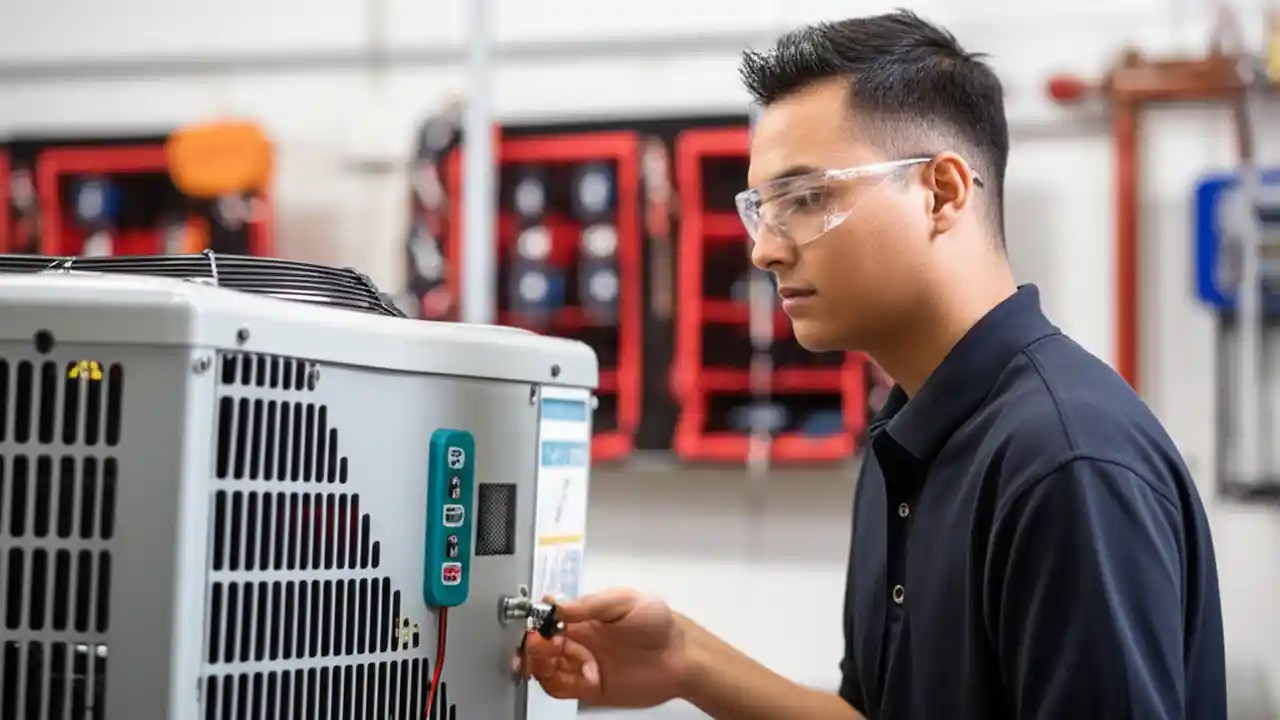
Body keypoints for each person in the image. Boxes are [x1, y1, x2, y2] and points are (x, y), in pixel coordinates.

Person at [519, 10, 1227, 720]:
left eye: (806, 198)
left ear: (943, 193)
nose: (766, 250)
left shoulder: (1064, 463)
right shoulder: (912, 438)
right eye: (760, 209)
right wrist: (688, 661)